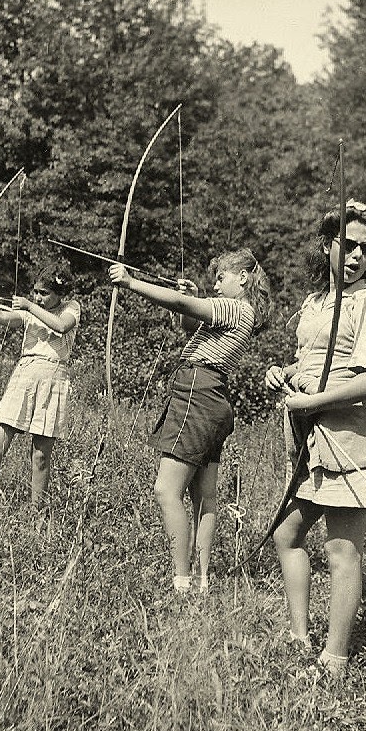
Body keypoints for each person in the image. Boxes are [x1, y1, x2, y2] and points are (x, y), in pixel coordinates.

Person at [265, 199, 366, 677]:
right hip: (309, 440)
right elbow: (312, 362)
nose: (358, 255)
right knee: (288, 534)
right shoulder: (316, 303)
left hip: (349, 437)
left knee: (342, 550)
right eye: (349, 244)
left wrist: (315, 401)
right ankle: (300, 637)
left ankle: (335, 660)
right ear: (327, 245)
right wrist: (282, 373)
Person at [109, 248, 271, 593]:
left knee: (166, 490)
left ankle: (180, 581)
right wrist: (192, 296)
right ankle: (200, 581)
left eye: (221, 278)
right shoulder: (241, 313)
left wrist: (130, 282)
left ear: (242, 278)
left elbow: (182, 308)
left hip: (197, 392)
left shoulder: (235, 307)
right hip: (214, 398)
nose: (215, 285)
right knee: (204, 497)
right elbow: (189, 322)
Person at [0, 266, 80, 510]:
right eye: (35, 292)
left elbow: (61, 326)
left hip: (53, 378)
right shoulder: (30, 311)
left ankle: (37, 514)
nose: (37, 297)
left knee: (41, 456)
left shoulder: (71, 308)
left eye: (43, 293)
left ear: (59, 293)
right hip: (24, 375)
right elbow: (3, 317)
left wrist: (28, 305)